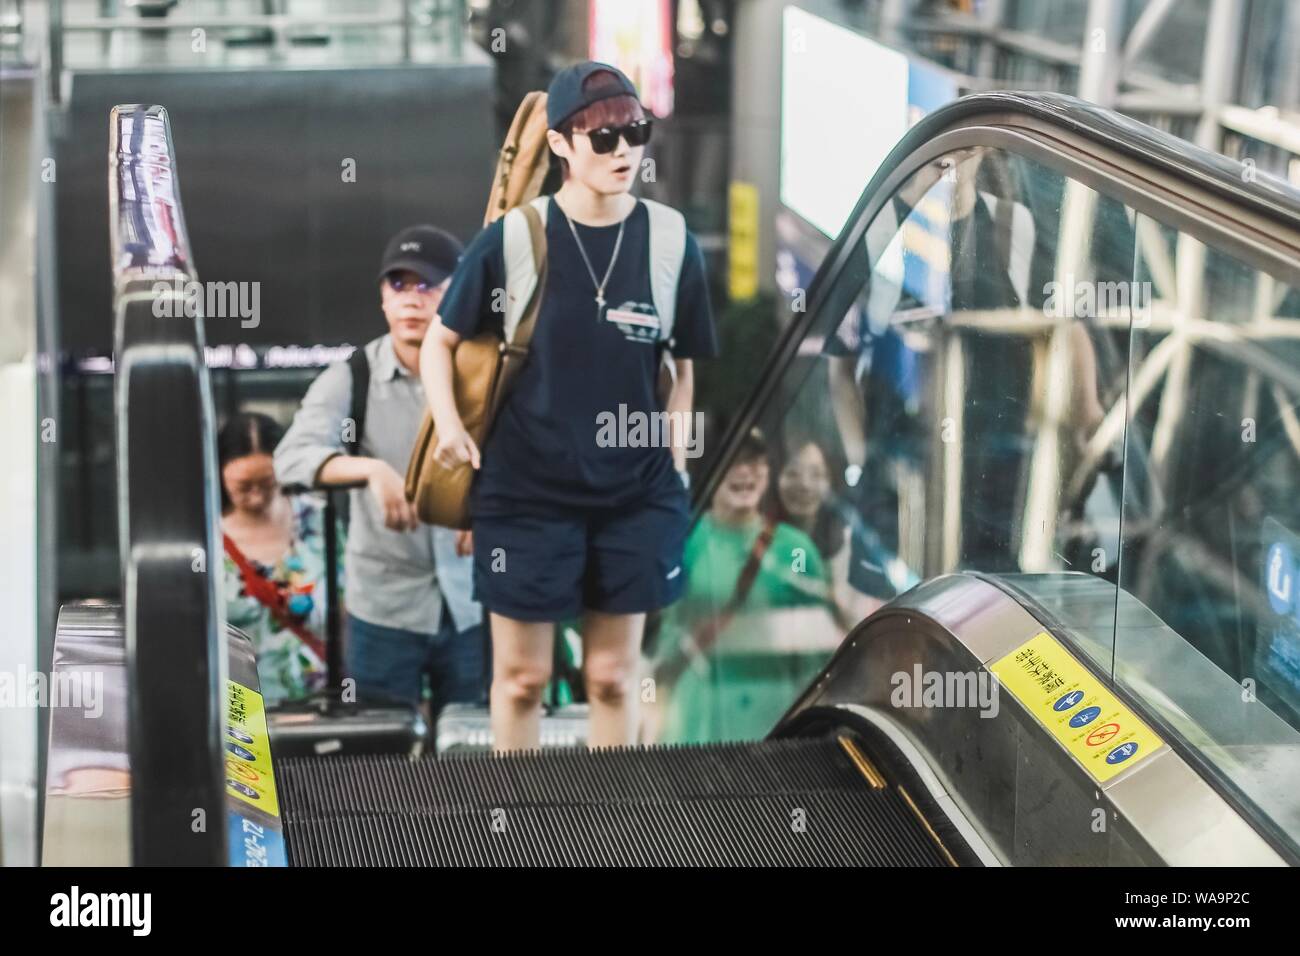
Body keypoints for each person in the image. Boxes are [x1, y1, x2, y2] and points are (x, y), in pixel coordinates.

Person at [422, 62, 718, 750]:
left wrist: (675, 456)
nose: (623, 152)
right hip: (526, 492)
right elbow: (442, 341)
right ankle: (517, 828)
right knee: (522, 679)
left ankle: (611, 831)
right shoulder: (516, 239)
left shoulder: (672, 241)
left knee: (614, 677)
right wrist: (446, 421)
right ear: (559, 145)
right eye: (602, 139)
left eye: (635, 133)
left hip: (635, 493)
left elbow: (683, 369)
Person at [274, 225, 486, 721]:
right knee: (383, 759)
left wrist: (489, 509)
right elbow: (291, 457)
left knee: (476, 752)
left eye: (428, 285)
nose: (412, 300)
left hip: (473, 600)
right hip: (386, 610)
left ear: (458, 293)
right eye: (398, 285)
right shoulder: (354, 376)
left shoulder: (481, 372)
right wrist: (368, 469)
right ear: (382, 299)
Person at [652, 428, 834, 743]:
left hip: (774, 735)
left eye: (756, 461)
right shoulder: (683, 542)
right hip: (695, 730)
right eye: (734, 461)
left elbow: (817, 656)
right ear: (711, 468)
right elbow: (663, 636)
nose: (745, 471)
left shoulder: (795, 551)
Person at [219, 412, 333, 705]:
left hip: (319, 702)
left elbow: (348, 609)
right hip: (239, 713)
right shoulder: (203, 539)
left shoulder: (319, 520)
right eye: (243, 487)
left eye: (268, 483)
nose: (257, 498)